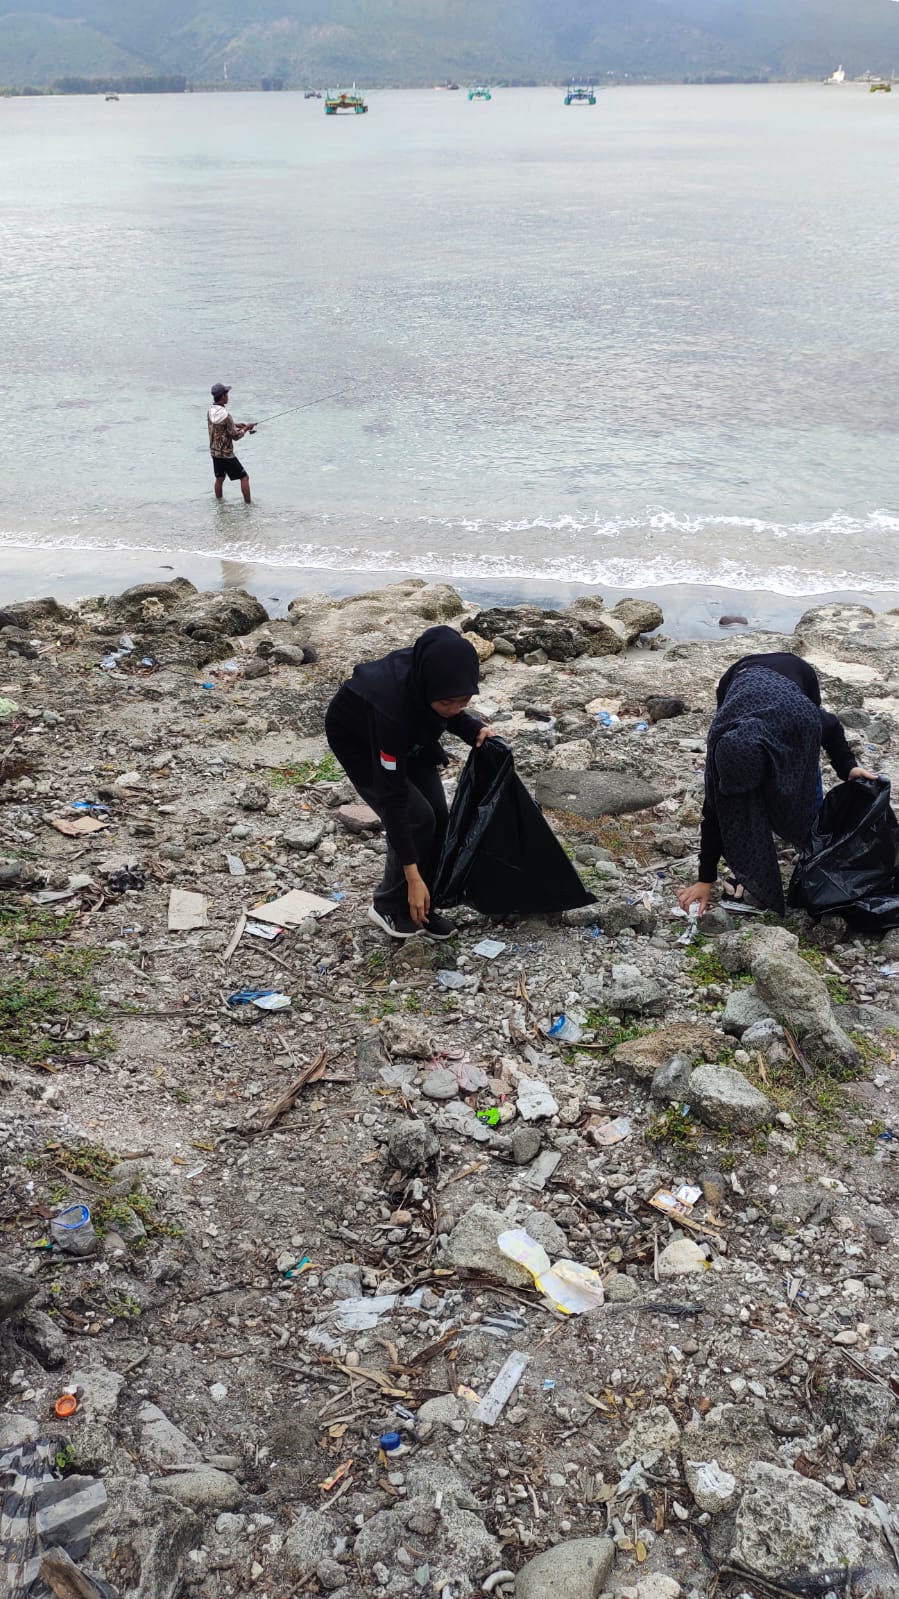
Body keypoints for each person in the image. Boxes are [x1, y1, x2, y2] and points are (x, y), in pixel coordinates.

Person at [677, 652, 877, 917]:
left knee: (802, 774)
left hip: (795, 674)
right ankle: (748, 869)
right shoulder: (722, 742)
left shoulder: (801, 717)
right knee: (735, 806)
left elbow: (830, 728)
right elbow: (714, 813)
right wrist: (705, 879)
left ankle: (810, 845)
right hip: (739, 677)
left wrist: (848, 767)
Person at [325, 627, 493, 938]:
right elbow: (392, 799)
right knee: (417, 819)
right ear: (429, 690)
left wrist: (470, 727)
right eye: (448, 702)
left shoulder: (432, 677)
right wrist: (412, 877)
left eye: (464, 700)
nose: (455, 708)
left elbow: (448, 707)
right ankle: (389, 905)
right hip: (361, 741)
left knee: (439, 817)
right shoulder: (390, 708)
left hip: (411, 734)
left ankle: (423, 904)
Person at [207, 383, 256, 503]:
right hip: (226, 454)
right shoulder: (226, 415)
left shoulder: (210, 411)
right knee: (244, 477)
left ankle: (219, 504)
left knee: (219, 478)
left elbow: (219, 425)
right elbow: (235, 436)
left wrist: (235, 424)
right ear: (223, 396)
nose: (228, 396)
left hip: (214, 452)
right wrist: (246, 428)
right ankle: (248, 506)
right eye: (227, 394)